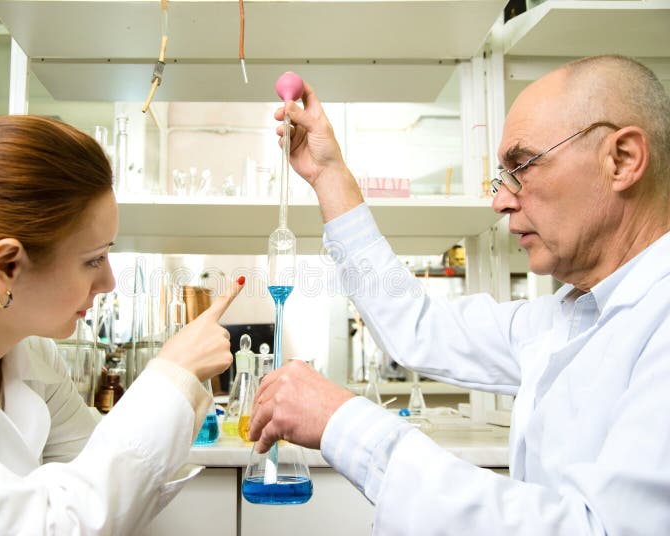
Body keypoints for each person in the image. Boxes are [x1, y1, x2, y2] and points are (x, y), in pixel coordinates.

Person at [248, 54, 670, 534]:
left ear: (622, 160)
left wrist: (343, 422)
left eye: (522, 166)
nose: (500, 199)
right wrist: (328, 174)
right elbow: (418, 325)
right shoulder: (572, 316)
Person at [0, 115, 244, 534]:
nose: (108, 283)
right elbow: (48, 526)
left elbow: (98, 477)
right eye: (92, 260)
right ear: (6, 266)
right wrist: (172, 377)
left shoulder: (31, 357)